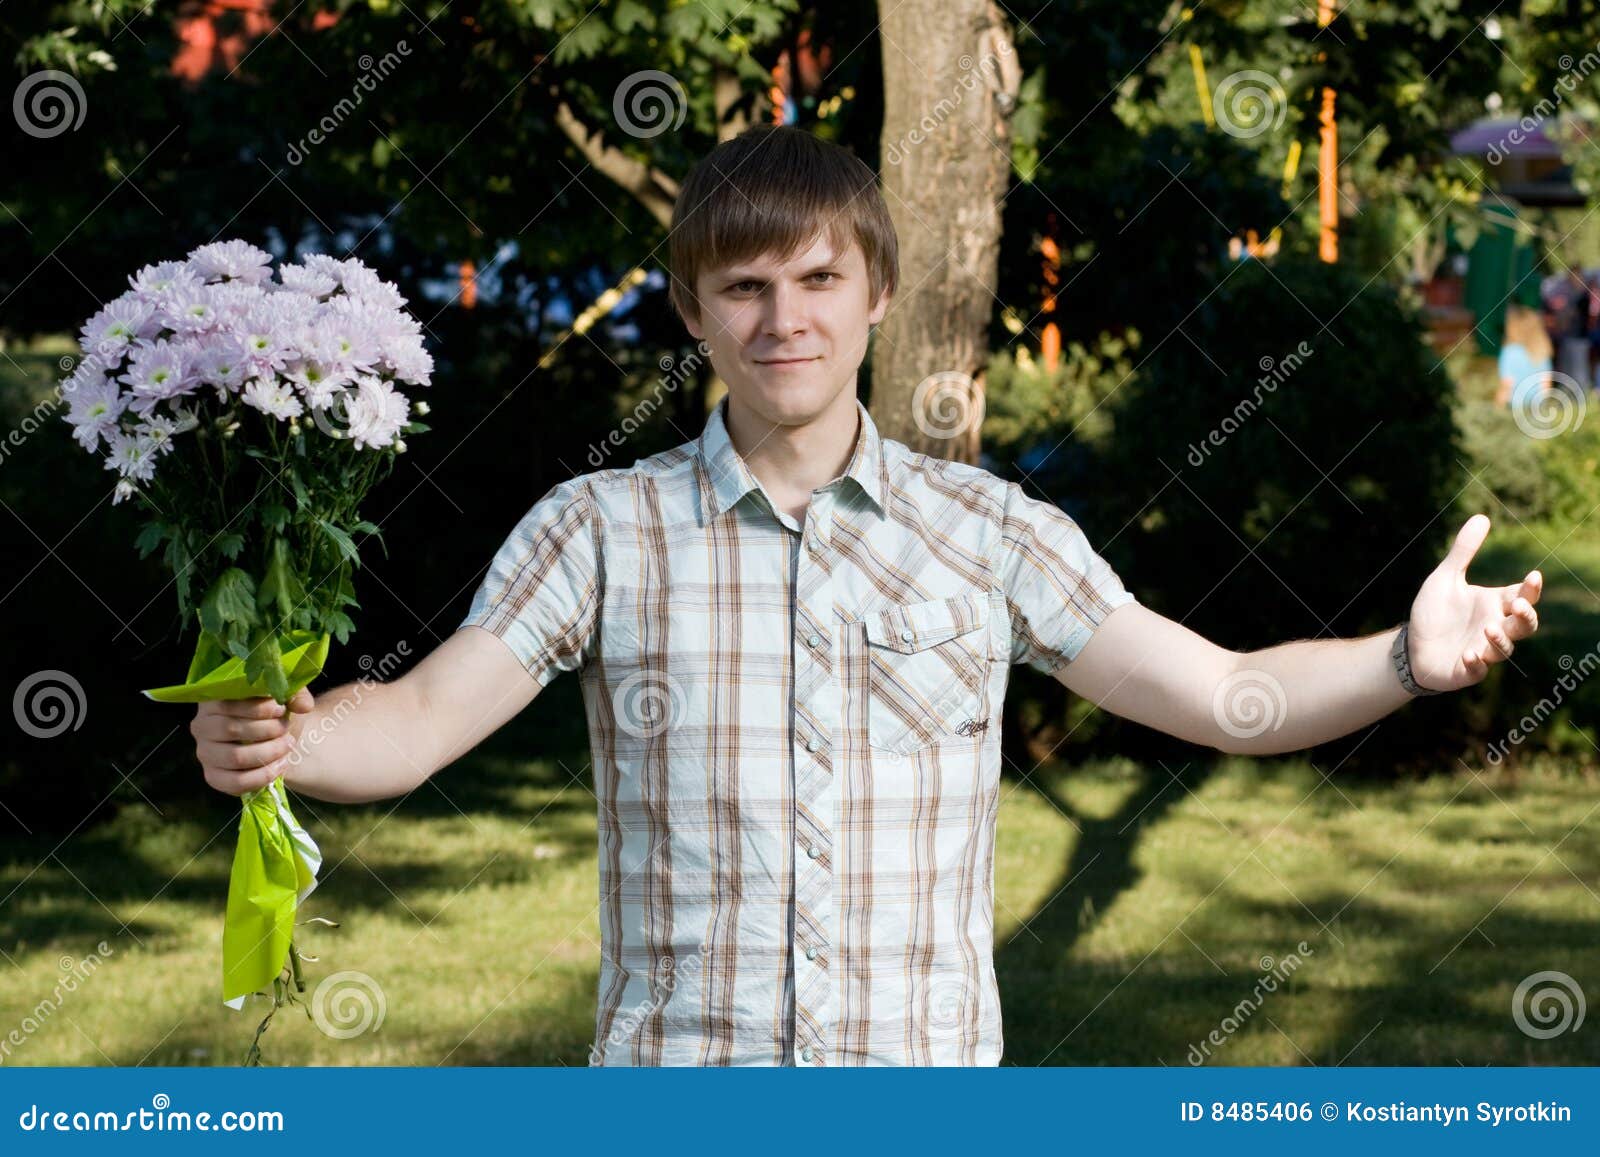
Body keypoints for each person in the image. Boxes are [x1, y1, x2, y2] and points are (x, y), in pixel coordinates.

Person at [190, 124, 1544, 1067]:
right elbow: (418, 725)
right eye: (747, 286)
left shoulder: (990, 532)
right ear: (695, 313)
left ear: (879, 292)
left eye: (822, 278)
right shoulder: (599, 530)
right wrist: (288, 740)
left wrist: (1405, 663)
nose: (788, 317)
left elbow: (1230, 698)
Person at [1494, 303, 1554, 412]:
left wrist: (1497, 409)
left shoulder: (1510, 351)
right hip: (1536, 408)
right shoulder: (1542, 350)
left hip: (1515, 408)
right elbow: (1546, 384)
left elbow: (1507, 385)